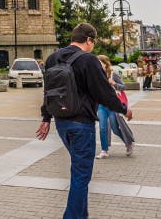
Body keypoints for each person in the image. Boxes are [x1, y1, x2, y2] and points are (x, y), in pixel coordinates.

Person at [35, 23, 132, 219]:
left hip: (62, 123)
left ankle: (82, 215)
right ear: (88, 40)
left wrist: (46, 118)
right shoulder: (88, 60)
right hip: (82, 125)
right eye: (93, 42)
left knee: (80, 172)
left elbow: (48, 92)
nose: (93, 46)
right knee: (80, 177)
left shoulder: (53, 58)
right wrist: (123, 108)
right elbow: (103, 92)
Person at [95, 55, 133, 159]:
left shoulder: (112, 74)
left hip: (112, 105)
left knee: (115, 128)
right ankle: (104, 150)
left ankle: (128, 142)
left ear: (105, 64)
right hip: (101, 105)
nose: (97, 65)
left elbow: (123, 87)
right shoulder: (96, 75)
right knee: (102, 128)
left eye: (99, 63)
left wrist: (114, 83)